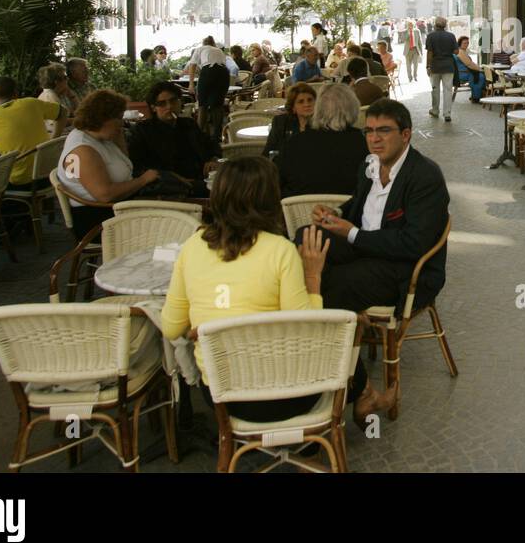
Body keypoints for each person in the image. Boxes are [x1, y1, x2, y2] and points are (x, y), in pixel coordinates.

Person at [161, 156, 392, 426]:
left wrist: (208, 319)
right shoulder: (280, 250)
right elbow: (307, 330)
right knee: (343, 333)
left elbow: (170, 327)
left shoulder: (192, 247)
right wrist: (313, 275)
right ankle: (365, 397)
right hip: (289, 394)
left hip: (223, 398)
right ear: (269, 198)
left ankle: (364, 396)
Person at [301, 99, 450, 346]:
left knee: (335, 282)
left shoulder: (424, 176)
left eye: (383, 130)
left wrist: (352, 234)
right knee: (307, 238)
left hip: (404, 267)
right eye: (369, 131)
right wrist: (335, 212)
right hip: (366, 248)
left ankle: (334, 356)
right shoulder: (370, 165)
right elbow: (359, 203)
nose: (374, 138)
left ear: (405, 135)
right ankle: (340, 327)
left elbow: (414, 244)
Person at [54, 89, 160, 239]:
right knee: (171, 224)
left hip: (117, 208)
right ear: (102, 118)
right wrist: (143, 180)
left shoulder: (99, 137)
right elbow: (105, 194)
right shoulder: (82, 150)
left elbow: (125, 164)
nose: (122, 123)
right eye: (118, 118)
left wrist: (118, 136)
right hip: (97, 219)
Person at [127, 81, 221, 196]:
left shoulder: (188, 124)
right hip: (170, 188)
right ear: (153, 108)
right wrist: (171, 177)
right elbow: (137, 166)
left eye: (173, 101)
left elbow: (210, 144)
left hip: (201, 178)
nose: (169, 106)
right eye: (162, 103)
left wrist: (213, 159)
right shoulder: (143, 130)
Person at [278, 84, 369, 197]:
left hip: (300, 212)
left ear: (318, 109)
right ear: (353, 108)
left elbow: (279, 182)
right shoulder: (364, 142)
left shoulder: (294, 143)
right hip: (350, 212)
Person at [185, 35, 231, 140]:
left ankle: (200, 134)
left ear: (204, 43)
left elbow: (192, 65)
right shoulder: (219, 50)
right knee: (218, 105)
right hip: (224, 73)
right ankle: (217, 135)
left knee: (202, 104)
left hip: (209, 72)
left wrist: (191, 83)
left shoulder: (200, 49)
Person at [263, 82, 316, 160]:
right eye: (301, 101)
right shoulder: (281, 122)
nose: (307, 104)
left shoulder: (323, 124)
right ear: (293, 108)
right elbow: (268, 152)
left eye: (310, 100)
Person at [425, 16, 459, 123]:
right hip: (448, 66)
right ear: (445, 25)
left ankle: (435, 110)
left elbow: (429, 52)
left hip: (435, 66)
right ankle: (447, 113)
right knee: (448, 90)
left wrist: (428, 66)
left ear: (435, 24)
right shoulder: (451, 36)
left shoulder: (430, 36)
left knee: (435, 89)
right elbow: (456, 52)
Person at [36, 63, 76, 136]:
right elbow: (62, 120)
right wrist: (81, 120)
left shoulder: (55, 94)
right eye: (65, 77)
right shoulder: (50, 96)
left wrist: (72, 96)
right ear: (57, 81)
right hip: (56, 138)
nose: (68, 79)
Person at [453, 36, 486, 103]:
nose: (466, 44)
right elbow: (469, 64)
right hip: (462, 74)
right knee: (480, 76)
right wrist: (480, 69)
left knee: (479, 74)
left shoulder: (462, 51)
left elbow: (470, 63)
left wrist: (478, 68)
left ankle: (476, 95)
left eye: (467, 43)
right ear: (460, 43)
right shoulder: (460, 52)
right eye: (464, 43)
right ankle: (476, 97)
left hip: (464, 72)